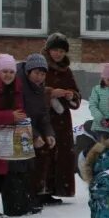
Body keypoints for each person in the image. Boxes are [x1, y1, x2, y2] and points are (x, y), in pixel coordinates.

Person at [4, 54, 55, 216]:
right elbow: (21, 113)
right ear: (28, 72)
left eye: (42, 74)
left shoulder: (39, 88)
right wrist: (34, 136)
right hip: (14, 131)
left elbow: (43, 114)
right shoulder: (19, 85)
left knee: (28, 166)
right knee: (15, 168)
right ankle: (15, 206)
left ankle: (25, 201)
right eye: (36, 73)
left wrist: (48, 133)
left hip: (27, 131)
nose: (39, 77)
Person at [33, 33, 80, 205]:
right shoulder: (39, 66)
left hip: (62, 119)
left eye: (61, 51)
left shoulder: (66, 71)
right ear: (48, 50)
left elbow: (76, 94)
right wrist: (51, 93)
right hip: (43, 117)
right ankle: (38, 190)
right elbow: (32, 89)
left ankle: (53, 189)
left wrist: (71, 96)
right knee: (44, 153)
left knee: (60, 154)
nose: (58, 54)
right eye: (55, 50)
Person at [0, 54, 29, 218]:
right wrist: (9, 116)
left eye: (11, 72)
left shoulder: (16, 88)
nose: (8, 75)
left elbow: (19, 109)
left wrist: (21, 118)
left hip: (6, 138)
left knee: (0, 175)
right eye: (4, 71)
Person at [89, 63, 109, 142]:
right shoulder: (97, 89)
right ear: (103, 78)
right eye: (108, 80)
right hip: (100, 127)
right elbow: (93, 106)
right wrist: (101, 119)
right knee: (103, 147)